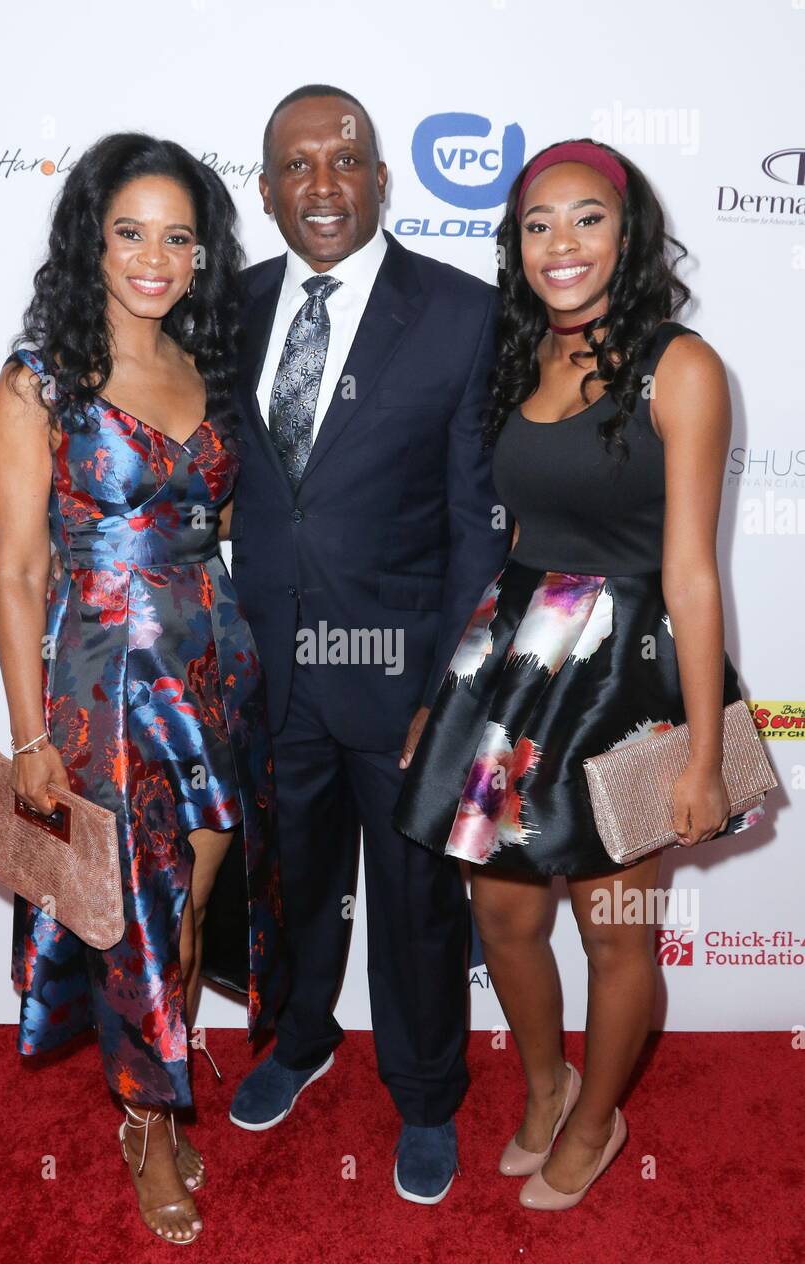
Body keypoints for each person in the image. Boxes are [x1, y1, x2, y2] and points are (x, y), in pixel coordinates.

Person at [393, 138, 767, 1210]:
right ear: (515, 245)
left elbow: (692, 576)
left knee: (615, 933)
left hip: (625, 674)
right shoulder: (524, 355)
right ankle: (548, 1078)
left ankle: (598, 1122)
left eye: (587, 217)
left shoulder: (679, 366)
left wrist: (701, 755)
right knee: (504, 918)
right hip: (512, 658)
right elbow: (500, 536)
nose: (562, 243)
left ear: (628, 229)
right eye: (537, 223)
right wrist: (441, 698)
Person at [0, 132, 287, 1245]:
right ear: (91, 240)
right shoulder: (38, 381)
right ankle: (148, 1128)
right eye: (130, 233)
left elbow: (227, 523)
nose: (153, 257)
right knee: (136, 928)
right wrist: (30, 738)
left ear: (201, 253)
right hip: (99, 692)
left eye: (177, 237)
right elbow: (19, 573)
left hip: (215, 672)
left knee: (191, 910)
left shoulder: (209, 369)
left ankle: (159, 1081)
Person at [226, 85, 508, 1204]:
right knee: (289, 883)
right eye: (296, 166)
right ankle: (300, 1040)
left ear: (382, 179)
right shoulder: (227, 307)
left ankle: (428, 1090)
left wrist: (448, 689)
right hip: (268, 670)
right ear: (266, 191)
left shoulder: (457, 313)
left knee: (413, 899)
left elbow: (475, 524)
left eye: (345, 161)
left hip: (399, 682)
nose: (323, 184)